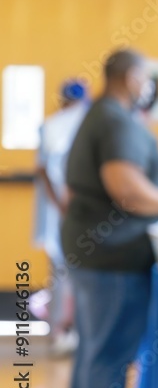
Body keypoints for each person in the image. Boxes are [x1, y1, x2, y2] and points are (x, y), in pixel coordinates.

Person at [62, 49, 158, 388]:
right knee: (108, 357)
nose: (149, 88)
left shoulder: (101, 114)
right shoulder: (115, 121)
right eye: (146, 79)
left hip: (94, 253)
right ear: (131, 78)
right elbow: (127, 190)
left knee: (93, 355)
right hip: (112, 258)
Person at [33, 79, 88, 354]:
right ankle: (60, 332)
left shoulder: (82, 128)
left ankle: (72, 331)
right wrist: (61, 204)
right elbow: (45, 170)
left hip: (76, 212)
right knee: (62, 272)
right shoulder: (54, 128)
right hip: (61, 214)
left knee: (74, 273)